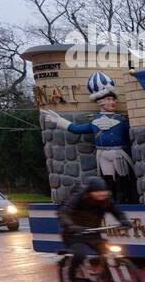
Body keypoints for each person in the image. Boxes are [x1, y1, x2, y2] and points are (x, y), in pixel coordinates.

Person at [41, 71, 139, 205]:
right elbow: (76, 129)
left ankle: (128, 201)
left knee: (124, 179)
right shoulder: (94, 121)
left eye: (113, 99)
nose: (113, 102)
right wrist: (59, 121)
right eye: (109, 99)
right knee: (108, 180)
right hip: (102, 154)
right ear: (101, 102)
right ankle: (111, 203)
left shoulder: (121, 120)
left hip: (118, 153)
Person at [57, 177, 131, 282]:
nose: (102, 194)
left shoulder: (106, 201)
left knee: (106, 251)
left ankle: (108, 281)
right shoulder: (79, 198)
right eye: (98, 192)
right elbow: (63, 212)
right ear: (90, 192)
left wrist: (123, 220)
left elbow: (117, 212)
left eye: (104, 191)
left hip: (93, 234)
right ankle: (71, 276)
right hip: (73, 234)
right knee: (80, 253)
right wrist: (72, 226)